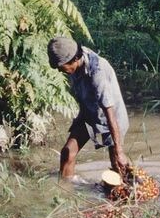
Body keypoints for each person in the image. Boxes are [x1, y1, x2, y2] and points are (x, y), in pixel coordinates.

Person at [47, 36, 129, 180]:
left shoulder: (97, 72)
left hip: (111, 118)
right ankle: (65, 191)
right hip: (88, 113)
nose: (60, 71)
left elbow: (109, 112)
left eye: (61, 67)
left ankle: (132, 189)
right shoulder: (74, 56)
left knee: (117, 164)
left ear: (74, 59)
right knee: (67, 152)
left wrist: (119, 150)